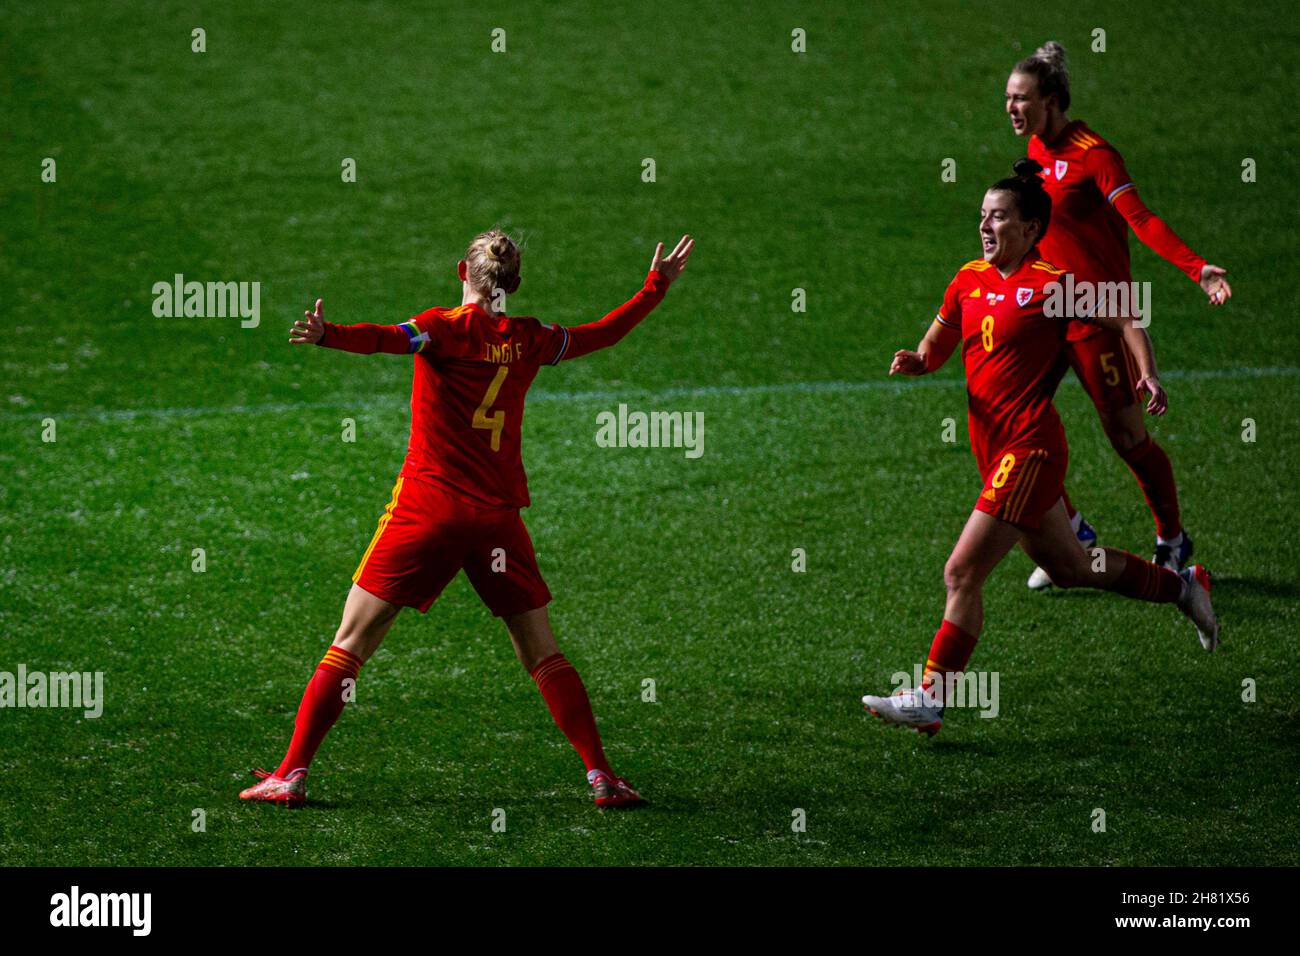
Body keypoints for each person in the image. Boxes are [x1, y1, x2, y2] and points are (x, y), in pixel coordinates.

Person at [240, 230, 694, 806]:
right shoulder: (532, 339)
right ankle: (602, 775)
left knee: (350, 643)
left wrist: (329, 335)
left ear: (462, 270)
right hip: (496, 520)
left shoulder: (443, 327)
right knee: (542, 652)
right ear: (516, 284)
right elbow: (601, 334)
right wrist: (655, 287)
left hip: (426, 511)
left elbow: (385, 340)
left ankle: (290, 773)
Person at [861, 165, 1216, 737]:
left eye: (998, 216)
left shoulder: (1051, 286)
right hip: (994, 452)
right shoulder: (968, 278)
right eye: (982, 214)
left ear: (1029, 228)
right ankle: (1183, 586)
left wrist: (1145, 373)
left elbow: (1127, 313)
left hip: (1030, 452)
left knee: (961, 572)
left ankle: (932, 697)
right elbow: (940, 341)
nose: (985, 224)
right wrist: (920, 360)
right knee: (1072, 568)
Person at [1005, 41, 1232, 586]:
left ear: (1053, 100)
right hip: (1048, 308)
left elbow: (1142, 220)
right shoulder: (1036, 146)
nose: (1012, 109)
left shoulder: (1095, 155)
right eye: (1007, 99)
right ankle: (1076, 534)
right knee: (1012, 422)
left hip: (1098, 316)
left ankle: (1173, 541)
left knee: (1128, 439)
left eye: (1021, 99)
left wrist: (1196, 267)